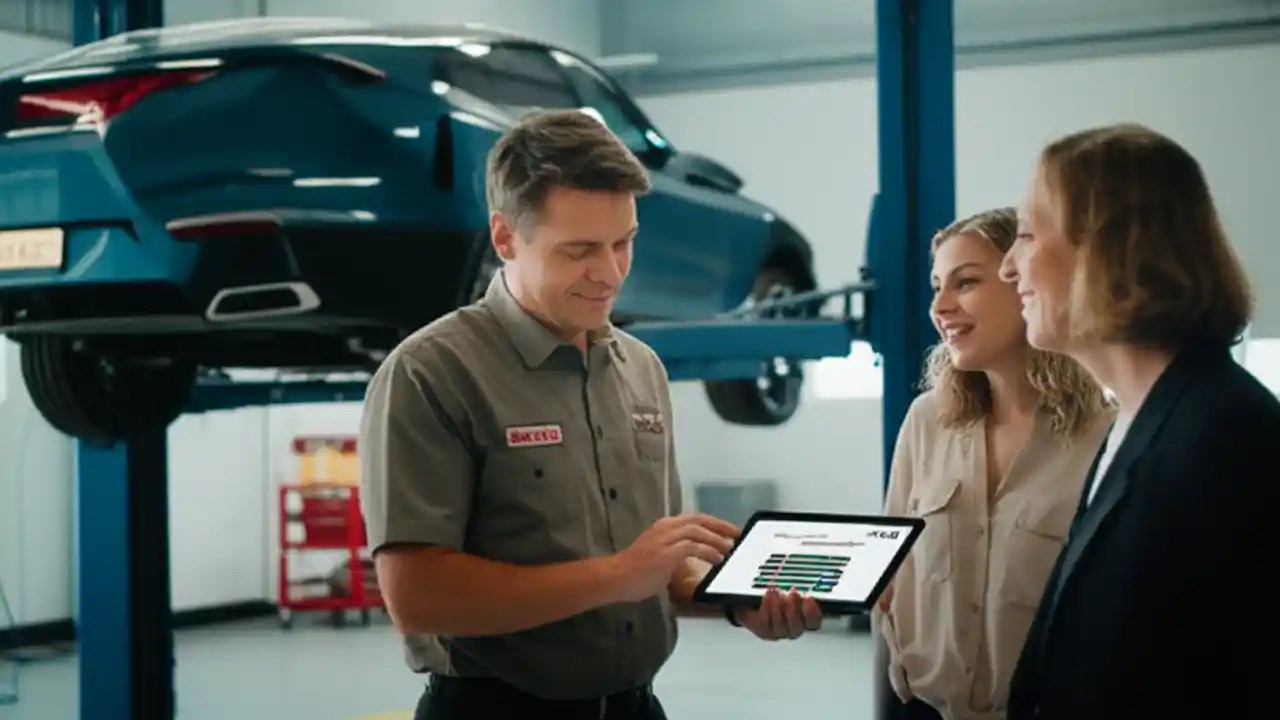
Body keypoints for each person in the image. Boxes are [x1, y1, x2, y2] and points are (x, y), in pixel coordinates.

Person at [358, 108, 822, 720]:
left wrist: (735, 602)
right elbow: (416, 596)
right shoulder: (432, 374)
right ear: (505, 238)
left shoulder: (641, 369)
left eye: (624, 242)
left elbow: (651, 566)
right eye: (579, 250)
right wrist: (618, 575)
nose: (609, 273)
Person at [998, 124, 1280, 719]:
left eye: (1025, 235)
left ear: (1107, 247)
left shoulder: (1225, 440)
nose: (1008, 267)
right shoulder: (1141, 425)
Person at [872, 207, 1114, 720]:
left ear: (1024, 282)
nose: (940, 306)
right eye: (937, 286)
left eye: (965, 283)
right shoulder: (927, 421)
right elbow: (888, 589)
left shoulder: (1107, 435)